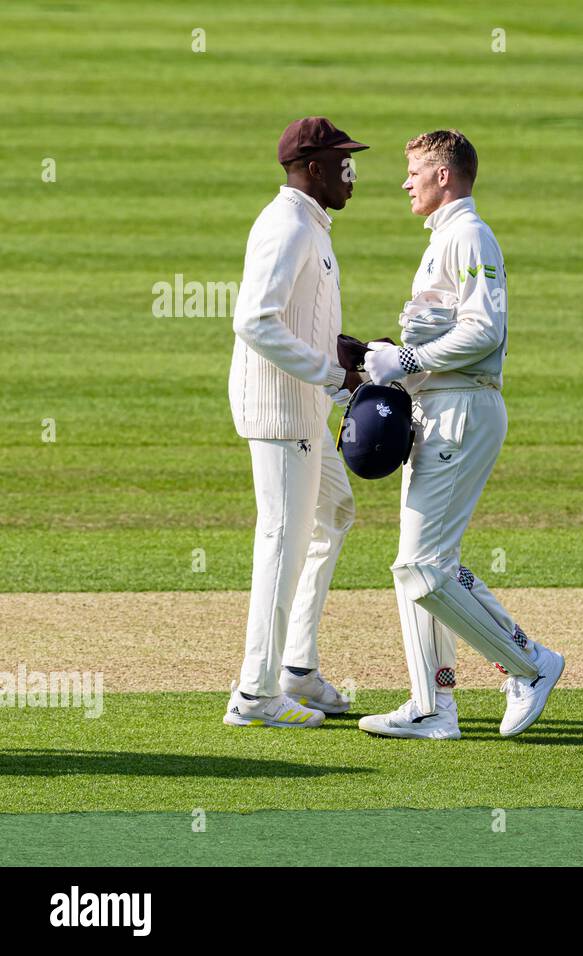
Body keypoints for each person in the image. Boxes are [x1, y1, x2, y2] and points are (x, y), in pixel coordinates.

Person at [358, 129, 564, 740]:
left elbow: (484, 331)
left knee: (422, 566)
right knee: (418, 567)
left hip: (463, 409)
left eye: (415, 171)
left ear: (444, 176)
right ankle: (432, 706)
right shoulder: (444, 239)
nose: (406, 182)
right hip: (438, 409)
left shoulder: (469, 235)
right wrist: (387, 365)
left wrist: (410, 365)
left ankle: (530, 664)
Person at [223, 117, 368, 728]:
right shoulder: (288, 225)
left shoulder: (311, 224)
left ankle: (297, 669)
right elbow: (255, 320)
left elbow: (300, 317)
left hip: (304, 404)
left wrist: (344, 352)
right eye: (343, 163)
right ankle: (255, 696)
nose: (353, 174)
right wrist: (331, 377)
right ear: (312, 168)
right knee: (282, 539)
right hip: (283, 412)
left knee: (333, 512)